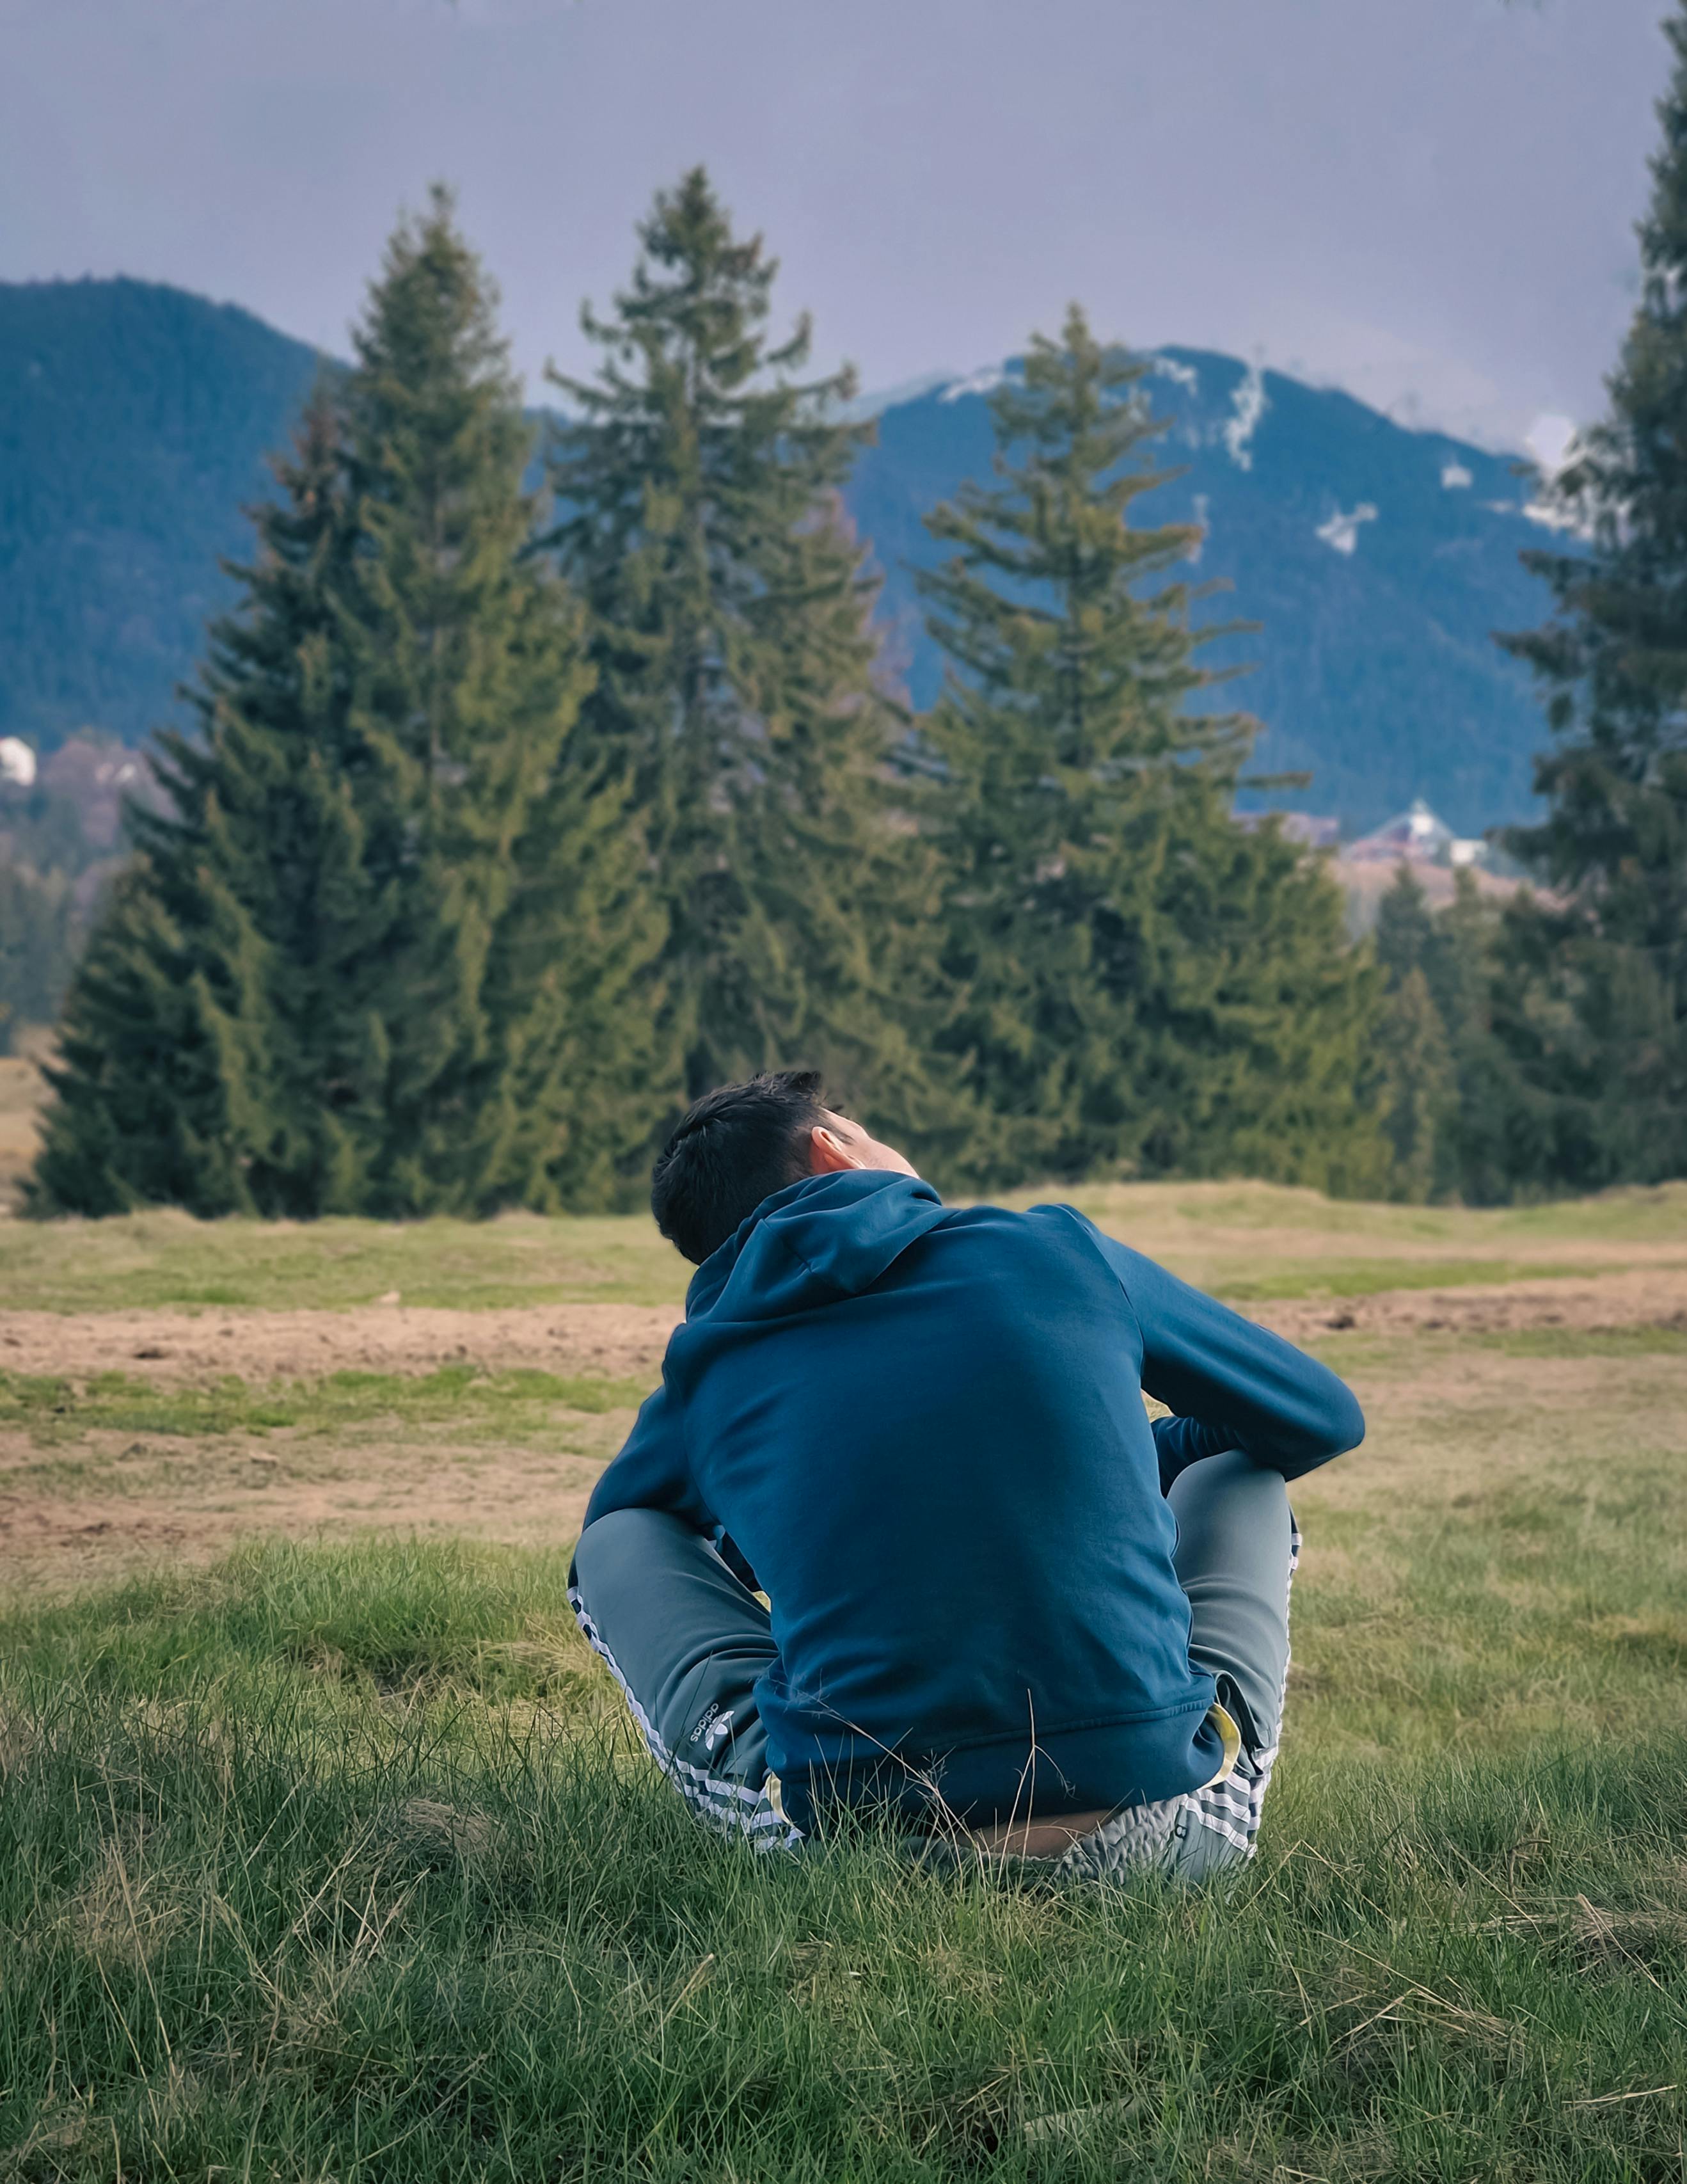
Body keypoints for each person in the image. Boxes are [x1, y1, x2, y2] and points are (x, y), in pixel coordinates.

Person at [569, 1070, 1365, 1880]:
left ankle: (760, 1775)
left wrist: (777, 1530)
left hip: (862, 1853)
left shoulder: (711, 1360)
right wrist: (1147, 1449)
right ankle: (1199, 1757)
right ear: (832, 1148)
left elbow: (624, 1523)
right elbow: (1319, 1415)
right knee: (1243, 1467)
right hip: (1167, 1831)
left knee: (615, 1541)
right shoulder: (1053, 1248)